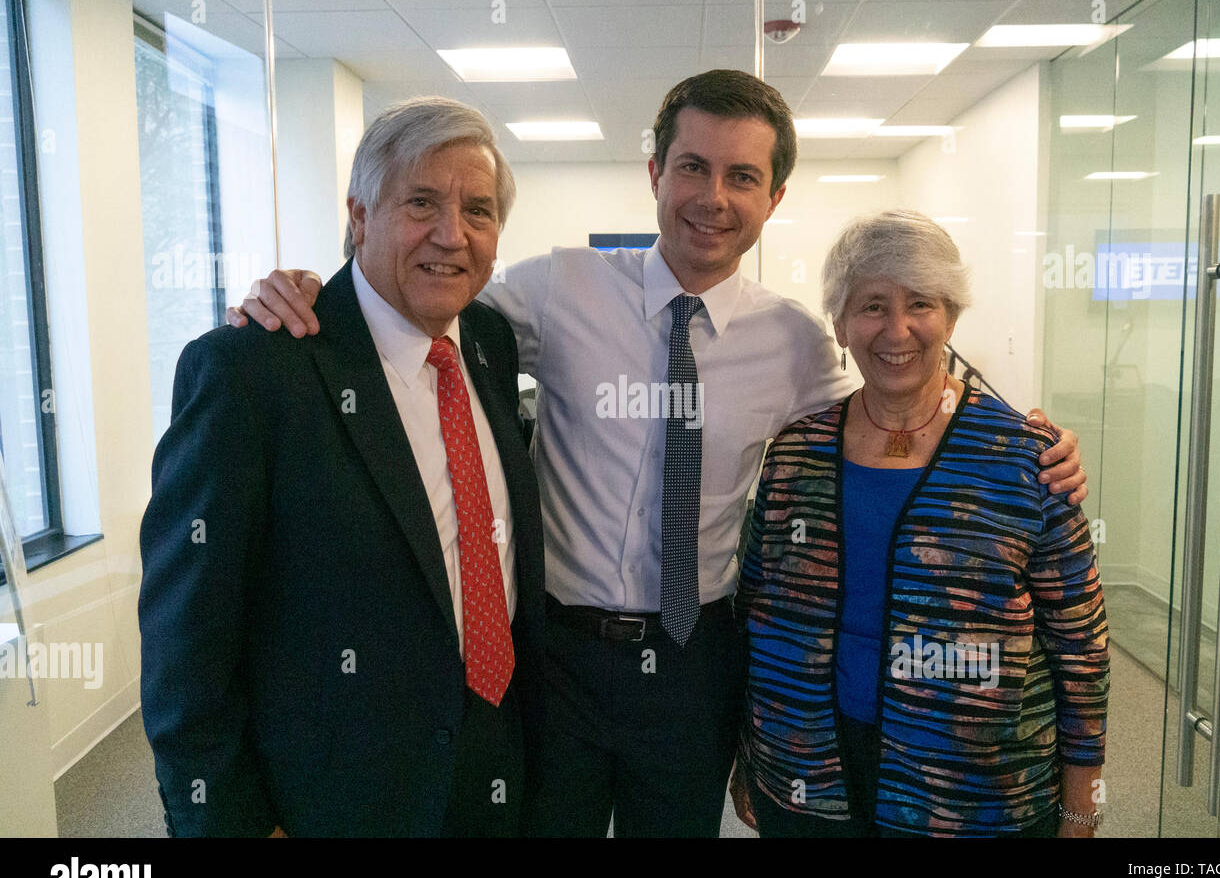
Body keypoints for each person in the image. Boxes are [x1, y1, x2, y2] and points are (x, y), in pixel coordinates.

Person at [228, 70, 1089, 837]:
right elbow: (421, 297)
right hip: (554, 656)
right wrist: (307, 288)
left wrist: (1017, 432)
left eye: (742, 176)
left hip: (694, 661)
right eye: (693, 167)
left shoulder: (792, 343)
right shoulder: (555, 289)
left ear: (773, 198)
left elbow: (894, 383)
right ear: (655, 173)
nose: (713, 196)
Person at [138, 96, 544, 836]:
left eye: (478, 211)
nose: (452, 235)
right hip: (332, 796)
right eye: (422, 201)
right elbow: (185, 639)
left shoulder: (488, 340)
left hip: (489, 761)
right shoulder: (253, 371)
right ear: (360, 216)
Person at [731, 210, 1108, 837]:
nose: (897, 329)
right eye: (872, 305)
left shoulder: (1023, 456)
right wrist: (752, 753)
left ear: (952, 317)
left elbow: (1082, 644)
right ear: (841, 325)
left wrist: (1081, 801)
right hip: (807, 771)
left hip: (976, 790)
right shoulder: (796, 450)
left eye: (921, 304)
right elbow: (757, 602)